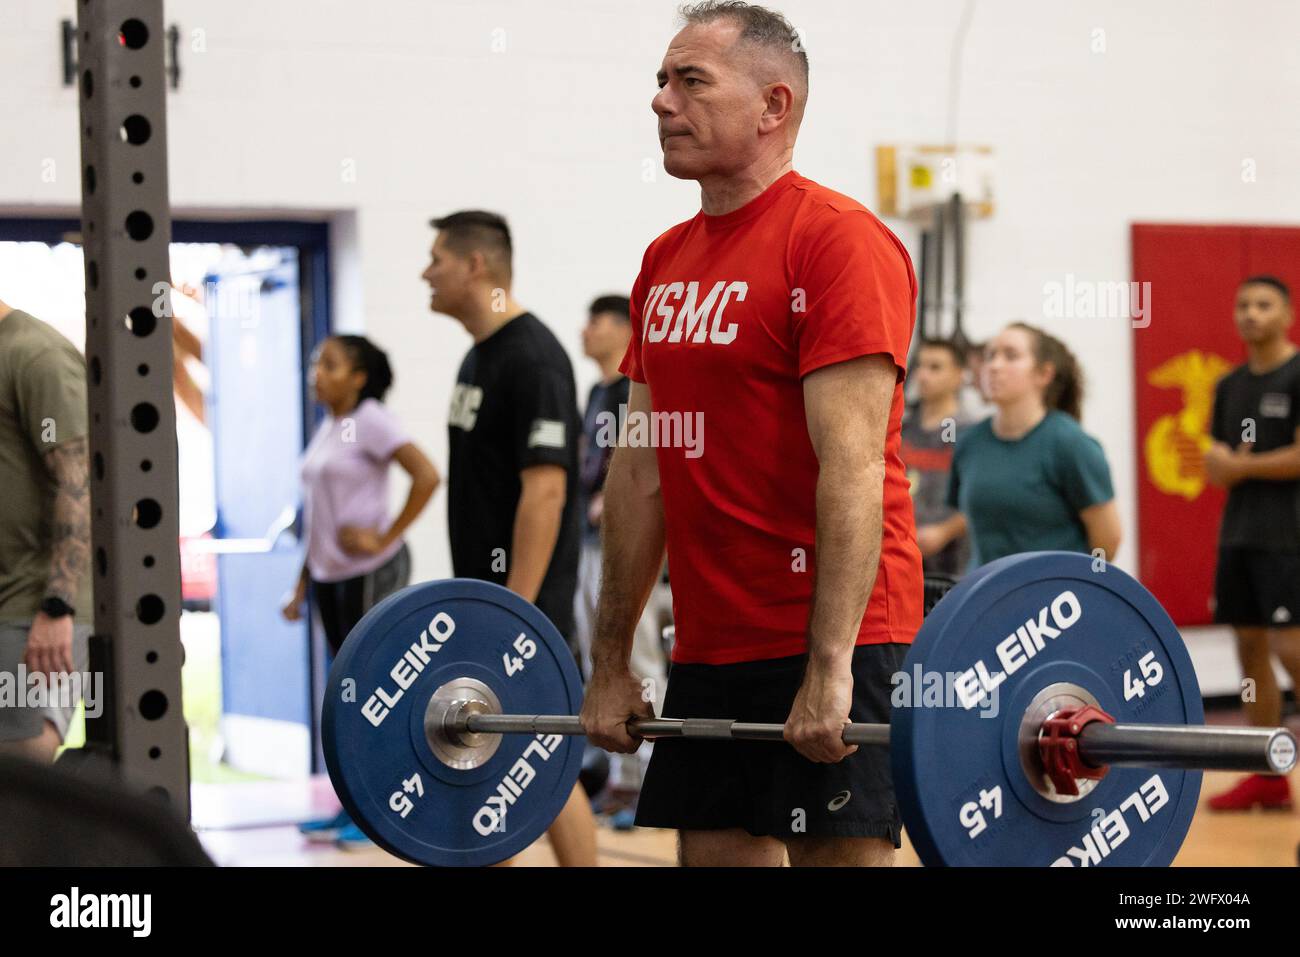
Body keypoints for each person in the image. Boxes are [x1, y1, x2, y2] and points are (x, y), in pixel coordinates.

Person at [580, 2, 922, 867]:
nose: (661, 100)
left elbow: (851, 466)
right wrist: (611, 656)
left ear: (774, 106)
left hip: (834, 632)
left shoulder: (838, 243)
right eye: (661, 80)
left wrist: (830, 663)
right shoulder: (665, 260)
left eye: (690, 81)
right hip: (711, 640)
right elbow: (638, 471)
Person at [423, 209, 598, 867]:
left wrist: (516, 609)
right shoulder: (479, 355)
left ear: (475, 265)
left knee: (542, 758)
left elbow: (547, 490)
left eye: (436, 258)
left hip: (522, 606)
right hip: (485, 597)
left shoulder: (533, 358)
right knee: (484, 753)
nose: (424, 272)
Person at [281, 334, 439, 847]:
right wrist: (301, 584)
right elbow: (320, 519)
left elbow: (427, 475)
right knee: (346, 694)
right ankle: (351, 802)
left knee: (375, 691)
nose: (316, 372)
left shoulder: (371, 419)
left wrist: (386, 535)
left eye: (329, 364)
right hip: (330, 578)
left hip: (371, 571)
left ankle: (381, 810)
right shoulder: (331, 426)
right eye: (314, 363)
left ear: (359, 377)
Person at [1203, 275, 1300, 811]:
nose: (1251, 314)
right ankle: (1268, 774)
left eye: (1263, 305)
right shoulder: (1230, 385)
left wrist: (1240, 467)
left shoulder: (1298, 371)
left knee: (1292, 647)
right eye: (1243, 305)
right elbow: (1220, 464)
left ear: (1286, 314)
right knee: (1250, 648)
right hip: (1241, 535)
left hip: (1290, 536)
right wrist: (1230, 468)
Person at [573, 294, 670, 825]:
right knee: (602, 659)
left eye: (594, 321)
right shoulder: (596, 392)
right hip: (594, 545)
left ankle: (650, 777)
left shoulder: (637, 394)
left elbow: (641, 469)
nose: (584, 331)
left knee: (644, 660)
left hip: (629, 543)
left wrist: (612, 501)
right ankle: (618, 776)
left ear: (622, 328)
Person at [928, 323, 1122, 567]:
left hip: (1054, 597)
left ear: (1043, 374)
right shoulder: (968, 442)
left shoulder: (1071, 444)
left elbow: (1108, 542)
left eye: (1011, 356)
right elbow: (966, 520)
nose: (994, 366)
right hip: (984, 595)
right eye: (990, 356)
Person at [0, 298, 92, 764]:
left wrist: (58, 607)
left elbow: (79, 481)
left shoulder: (36, 355)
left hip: (34, 607)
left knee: (17, 772)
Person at [903, 338, 972, 579]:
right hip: (900, 555)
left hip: (950, 566)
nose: (923, 375)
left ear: (959, 375)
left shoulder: (970, 432)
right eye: (921, 366)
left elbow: (982, 498)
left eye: (935, 367)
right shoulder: (901, 426)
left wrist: (944, 531)